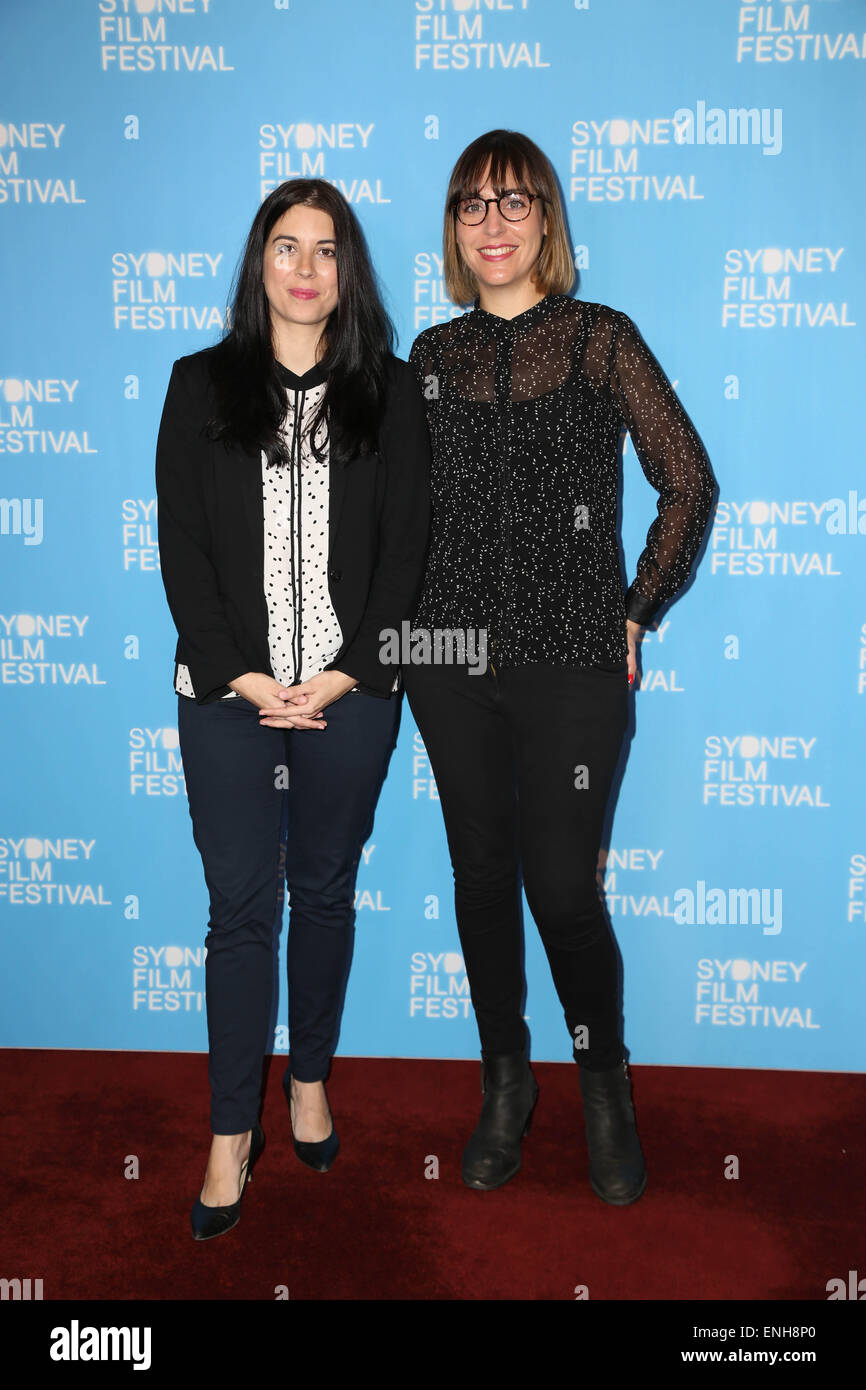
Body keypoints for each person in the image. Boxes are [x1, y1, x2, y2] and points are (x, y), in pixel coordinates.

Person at [403, 130, 715, 1203]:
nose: (491, 224)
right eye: (470, 206)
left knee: (556, 888)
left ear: (547, 219)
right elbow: (392, 518)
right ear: (452, 230)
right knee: (480, 881)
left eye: (513, 201)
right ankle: (502, 1082)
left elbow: (686, 480)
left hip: (572, 660)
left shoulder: (597, 340)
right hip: (444, 659)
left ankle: (599, 1081)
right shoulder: (429, 361)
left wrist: (638, 607)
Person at [155, 179, 430, 1240]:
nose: (305, 267)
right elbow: (182, 546)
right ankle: (231, 1131)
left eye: (325, 249)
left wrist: (352, 667)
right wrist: (239, 672)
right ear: (257, 264)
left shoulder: (392, 394)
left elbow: (405, 547)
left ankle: (306, 1080)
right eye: (285, 246)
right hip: (226, 696)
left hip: (350, 691)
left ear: (346, 271)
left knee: (321, 890)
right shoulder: (197, 386)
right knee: (238, 909)